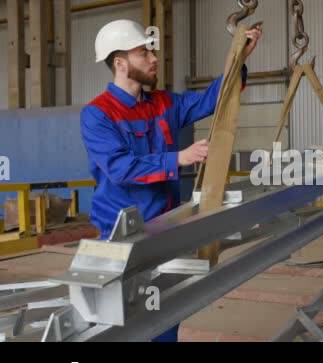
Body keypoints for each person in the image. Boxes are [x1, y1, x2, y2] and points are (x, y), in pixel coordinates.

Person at [81, 19, 262, 342]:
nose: (153, 59)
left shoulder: (164, 103)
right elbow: (120, 167)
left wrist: (240, 58)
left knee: (166, 316)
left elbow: (211, 99)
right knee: (124, 325)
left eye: (151, 51)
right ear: (120, 63)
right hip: (121, 238)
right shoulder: (97, 114)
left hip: (165, 230)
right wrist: (177, 158)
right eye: (142, 53)